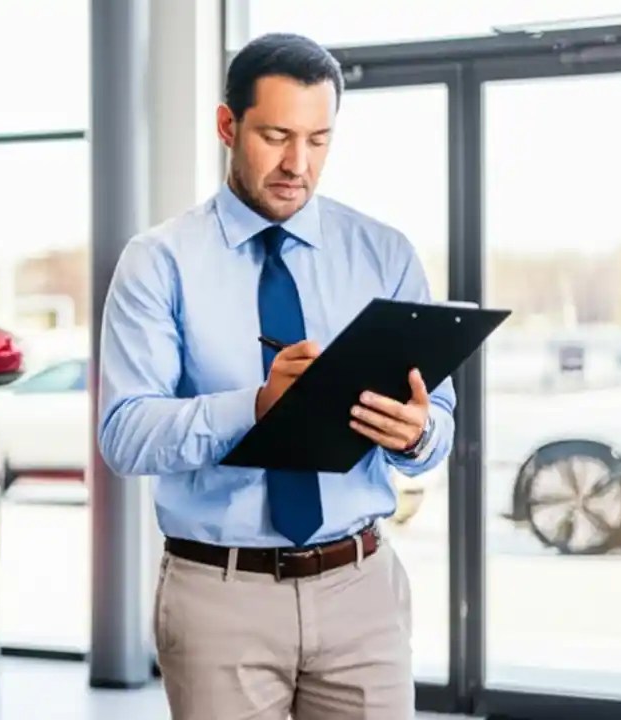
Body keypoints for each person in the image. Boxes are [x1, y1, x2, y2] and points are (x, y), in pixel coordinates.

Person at [97, 32, 454, 720]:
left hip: (362, 592)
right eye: (276, 136)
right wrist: (256, 406)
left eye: (319, 140)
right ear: (228, 126)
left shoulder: (384, 254)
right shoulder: (158, 262)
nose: (298, 163)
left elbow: (438, 425)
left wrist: (416, 434)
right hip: (219, 597)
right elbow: (125, 434)